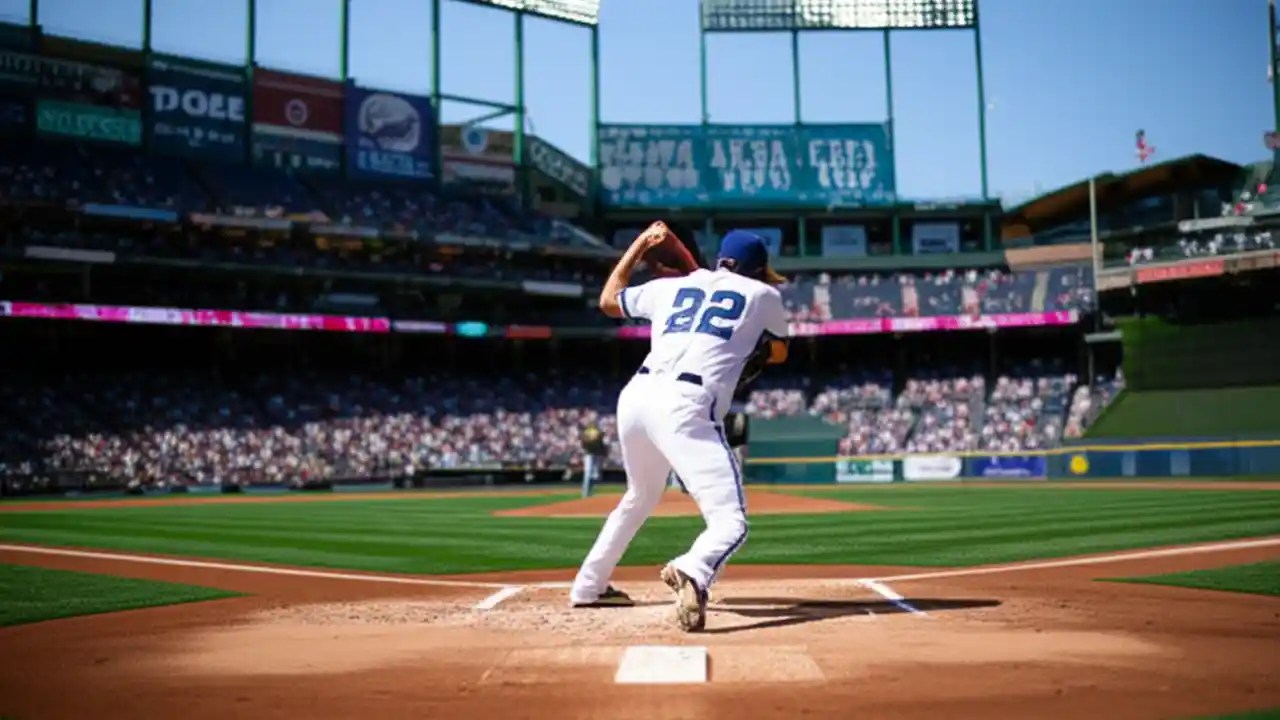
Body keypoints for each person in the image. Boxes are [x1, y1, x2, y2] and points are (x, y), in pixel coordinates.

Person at [568, 224, 788, 631]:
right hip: (686, 404)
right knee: (730, 522)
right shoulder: (765, 295)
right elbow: (777, 353)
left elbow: (607, 300)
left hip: (635, 397)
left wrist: (638, 246)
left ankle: (588, 585)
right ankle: (693, 568)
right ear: (757, 269)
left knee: (639, 496)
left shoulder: (669, 287)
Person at [579, 421, 606, 497]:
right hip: (589, 454)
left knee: (595, 475)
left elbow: (601, 444)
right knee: (588, 473)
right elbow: (583, 443)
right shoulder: (588, 433)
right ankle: (585, 493)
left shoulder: (595, 432)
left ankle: (589, 491)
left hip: (596, 454)